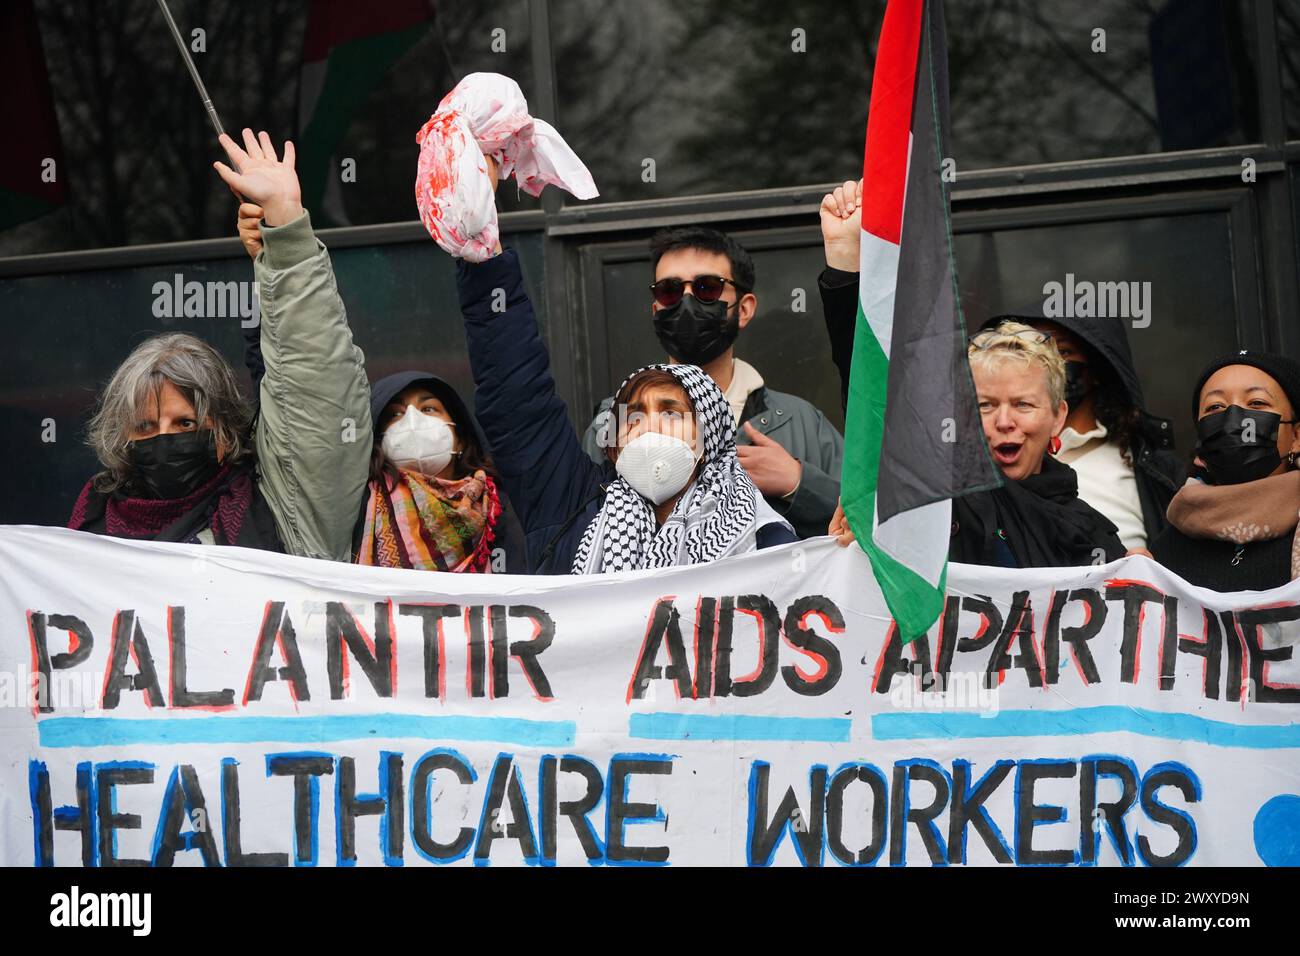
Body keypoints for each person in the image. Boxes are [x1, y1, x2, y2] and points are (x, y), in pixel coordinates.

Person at [453, 159, 796, 573]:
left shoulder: (766, 538)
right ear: (612, 441)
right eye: (633, 416)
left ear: (708, 439)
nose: (649, 424)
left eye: (670, 412)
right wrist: (483, 257)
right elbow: (516, 399)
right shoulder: (570, 507)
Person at [69, 130, 371, 559]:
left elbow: (317, 380)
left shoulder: (281, 512)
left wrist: (286, 231)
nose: (164, 440)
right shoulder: (84, 537)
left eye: (186, 424)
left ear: (225, 434)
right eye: (145, 428)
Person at [818, 180, 1124, 567]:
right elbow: (875, 395)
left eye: (1023, 404)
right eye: (983, 404)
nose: (1004, 421)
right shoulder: (928, 499)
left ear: (1057, 416)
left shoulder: (1097, 539)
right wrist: (848, 260)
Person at [236, 206, 523, 573]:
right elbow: (285, 391)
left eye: (430, 408)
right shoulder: (349, 512)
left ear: (460, 435)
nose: (413, 421)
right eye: (395, 414)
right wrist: (270, 267)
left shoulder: (506, 512)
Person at [578, 226, 844, 540]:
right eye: (670, 291)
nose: (687, 302)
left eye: (707, 288)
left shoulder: (802, 422)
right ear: (656, 310)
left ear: (744, 308)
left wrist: (799, 484)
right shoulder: (614, 425)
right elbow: (585, 543)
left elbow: (866, 533)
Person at [980, 306, 1181, 551]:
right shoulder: (981, 463)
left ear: (1096, 370)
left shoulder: (1146, 465)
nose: (1049, 362)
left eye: (1062, 351)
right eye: (1035, 351)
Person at [1149, 351, 1300, 591]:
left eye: (1257, 403)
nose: (1233, 418)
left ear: (1296, 436)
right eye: (1215, 407)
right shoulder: (1162, 554)